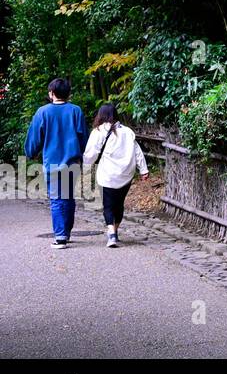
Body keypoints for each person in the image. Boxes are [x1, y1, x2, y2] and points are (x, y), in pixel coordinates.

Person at [24, 78, 89, 248]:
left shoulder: (42, 112)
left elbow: (34, 137)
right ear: (68, 93)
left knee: (56, 198)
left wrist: (30, 152)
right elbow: (83, 138)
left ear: (51, 93)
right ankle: (65, 232)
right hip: (72, 161)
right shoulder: (76, 111)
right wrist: (84, 155)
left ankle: (60, 236)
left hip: (52, 162)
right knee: (67, 196)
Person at [82, 103, 149, 248]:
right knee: (119, 203)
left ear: (101, 115)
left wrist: (86, 165)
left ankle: (111, 233)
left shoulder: (98, 131)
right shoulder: (127, 131)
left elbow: (91, 152)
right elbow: (137, 151)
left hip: (108, 174)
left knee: (108, 204)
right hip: (126, 174)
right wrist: (143, 170)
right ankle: (115, 231)